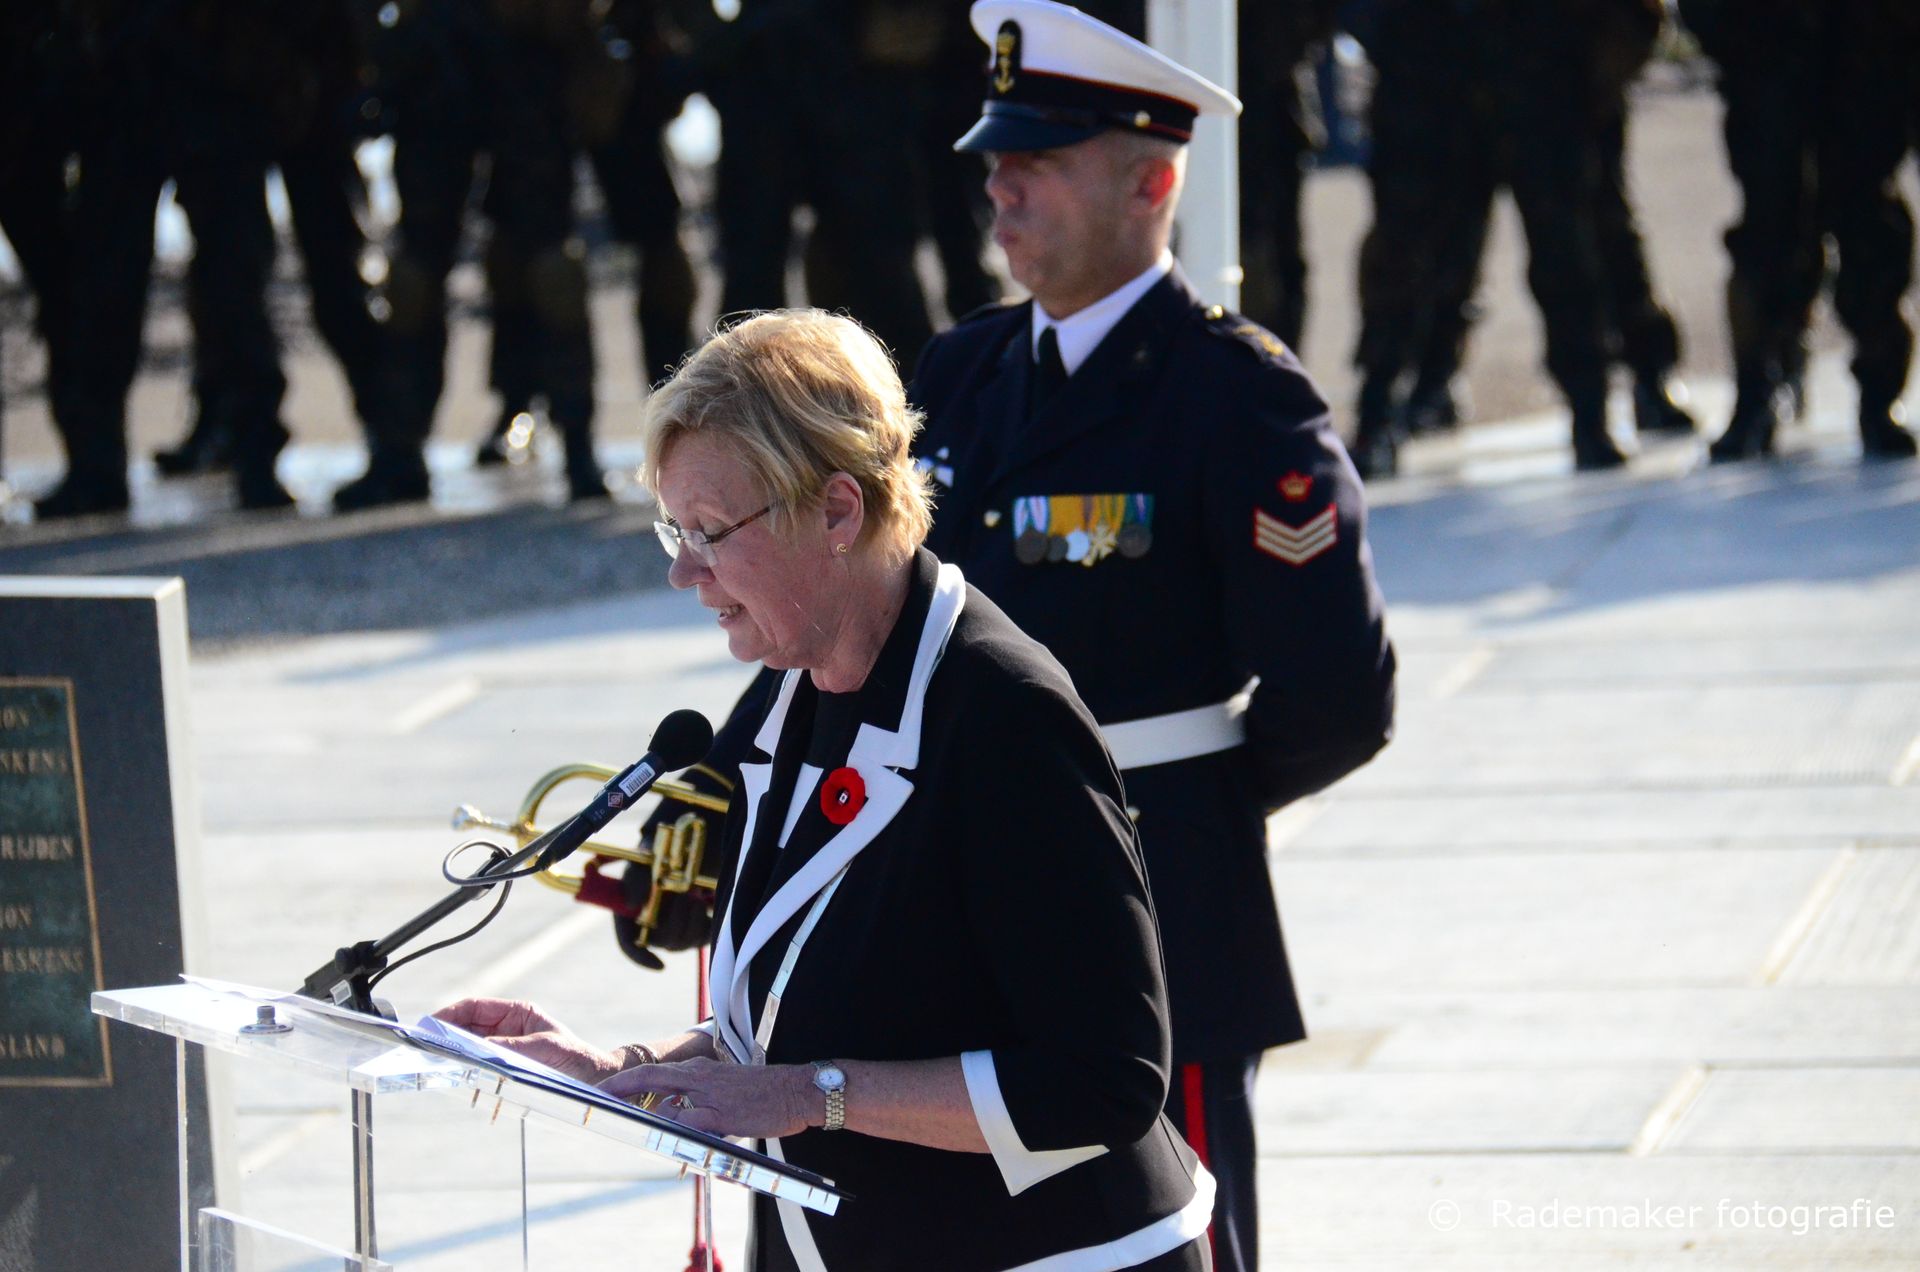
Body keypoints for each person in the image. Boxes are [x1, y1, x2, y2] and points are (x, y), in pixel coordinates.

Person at [660, 6, 1397, 1269]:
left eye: (1039, 163)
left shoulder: (1233, 393)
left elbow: (1336, 694)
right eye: (996, 162)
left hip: (1160, 889)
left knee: (1162, 1223)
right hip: (927, 900)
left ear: (1151, 183)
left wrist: (1160, 806)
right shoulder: (962, 370)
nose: (999, 190)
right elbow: (862, 628)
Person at [442, 309, 1213, 1270]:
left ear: (839, 512)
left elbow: (1105, 1080)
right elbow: (801, 1017)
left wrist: (814, 1097)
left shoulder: (1005, 717)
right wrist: (622, 1070)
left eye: (709, 531)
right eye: (673, 529)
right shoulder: (790, 692)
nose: (683, 571)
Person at [1349, 0, 1627, 477]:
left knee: (1566, 252)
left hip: (1540, 66)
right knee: (1404, 255)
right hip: (1428, 68)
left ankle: (1591, 413)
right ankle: (1377, 412)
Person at [1680, 0, 1918, 461]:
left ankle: (1880, 392)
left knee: (1869, 218)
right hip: (1766, 43)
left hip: (1866, 42)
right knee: (1768, 223)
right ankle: (1758, 388)